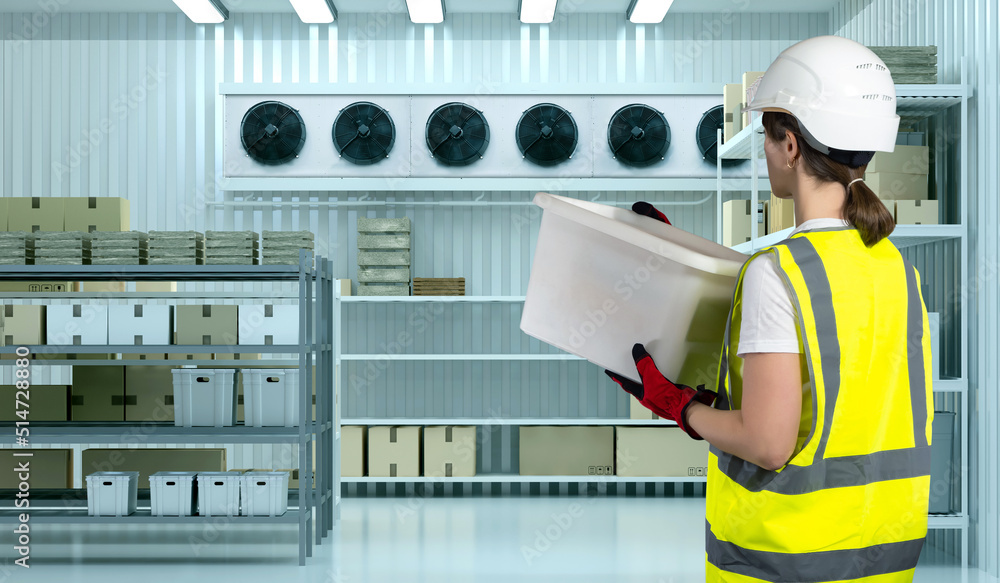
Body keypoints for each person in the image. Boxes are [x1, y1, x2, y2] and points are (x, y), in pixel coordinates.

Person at [607, 35, 934, 582]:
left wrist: (681, 408)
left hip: (786, 556)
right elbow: (834, 394)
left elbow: (768, 442)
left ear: (790, 146)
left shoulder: (778, 273)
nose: (764, 151)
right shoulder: (898, 267)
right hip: (884, 556)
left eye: (766, 135)